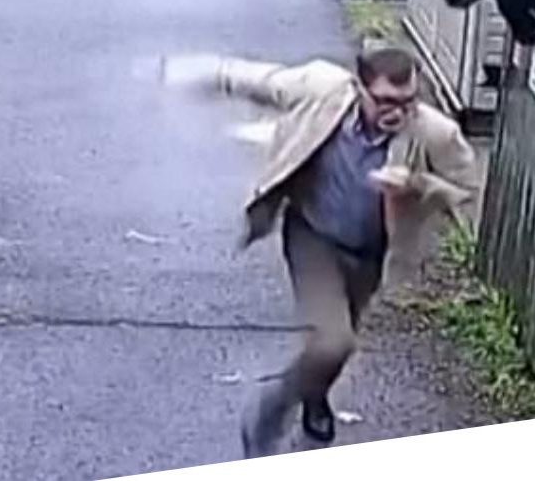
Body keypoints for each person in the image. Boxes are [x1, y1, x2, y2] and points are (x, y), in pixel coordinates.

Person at [163, 48, 479, 456]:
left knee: (335, 345)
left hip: (372, 254)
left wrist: (418, 185)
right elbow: (261, 81)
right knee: (334, 342)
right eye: (385, 101)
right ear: (359, 88)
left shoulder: (434, 134)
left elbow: (468, 193)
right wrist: (199, 74)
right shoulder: (322, 90)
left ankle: (315, 396)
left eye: (407, 102)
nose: (397, 112)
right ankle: (271, 407)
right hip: (313, 234)